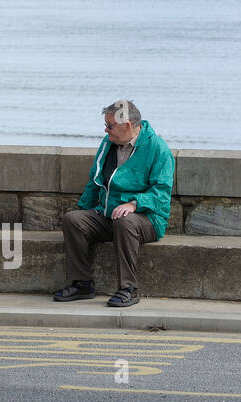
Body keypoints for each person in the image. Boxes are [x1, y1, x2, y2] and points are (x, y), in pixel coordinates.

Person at [54, 99, 173, 308]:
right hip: (108, 213)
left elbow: (161, 193)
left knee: (125, 223)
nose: (106, 131)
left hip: (147, 218)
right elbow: (94, 180)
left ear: (127, 125)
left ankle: (128, 289)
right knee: (73, 220)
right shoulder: (108, 144)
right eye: (106, 126)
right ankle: (82, 283)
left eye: (110, 126)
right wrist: (84, 211)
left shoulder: (158, 149)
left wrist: (135, 204)